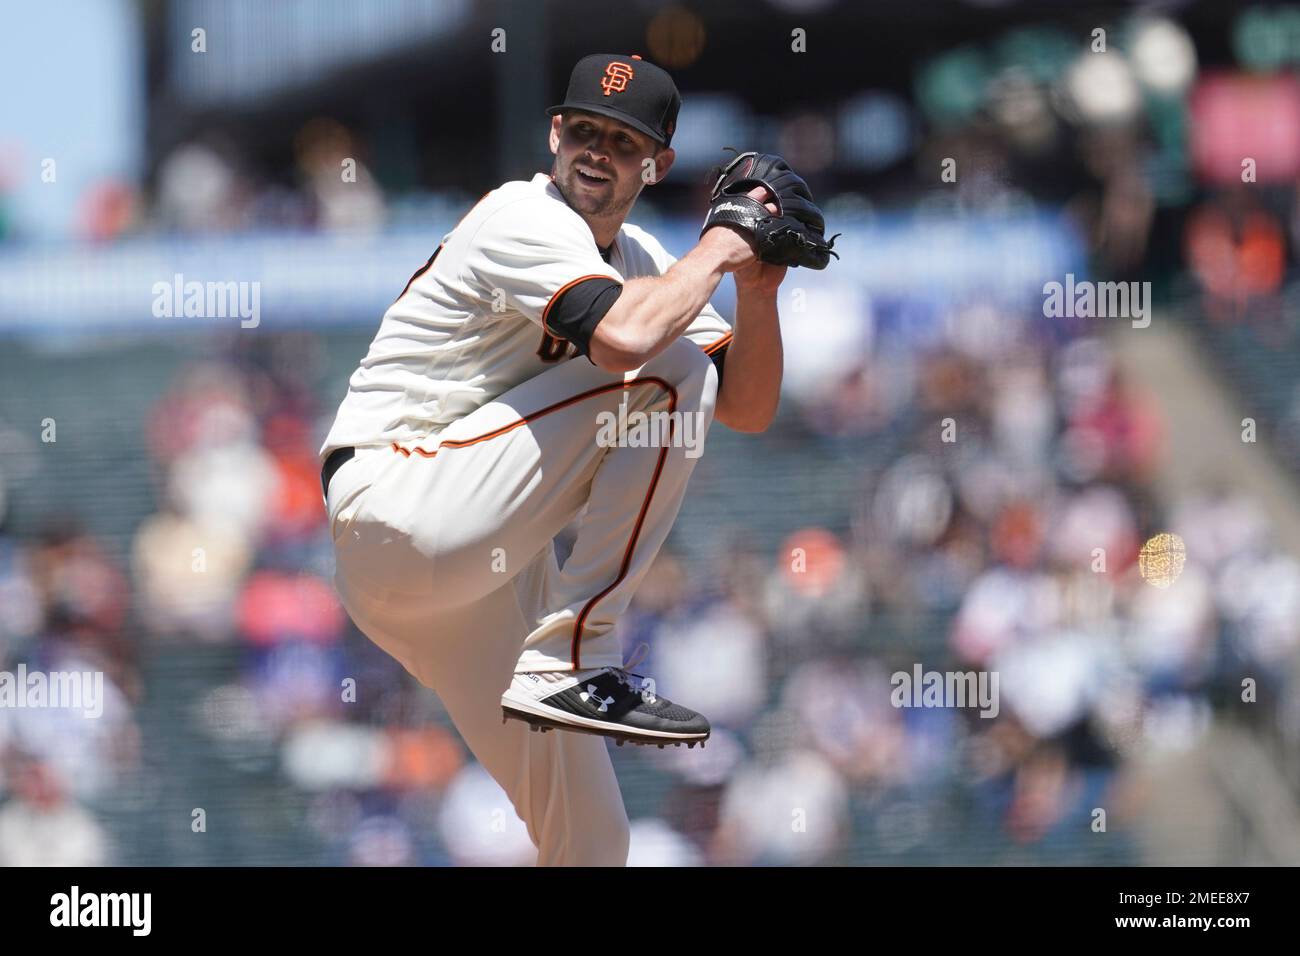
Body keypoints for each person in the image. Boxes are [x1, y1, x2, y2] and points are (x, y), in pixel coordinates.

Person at [320, 53, 786, 865]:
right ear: (553, 132)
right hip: (397, 496)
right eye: (582, 129)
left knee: (594, 841)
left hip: (460, 577)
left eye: (622, 138)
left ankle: (564, 656)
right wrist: (718, 247)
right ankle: (576, 650)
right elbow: (629, 344)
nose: (595, 150)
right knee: (663, 368)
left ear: (658, 164)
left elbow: (743, 405)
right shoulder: (519, 214)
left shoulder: (642, 260)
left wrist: (758, 287)